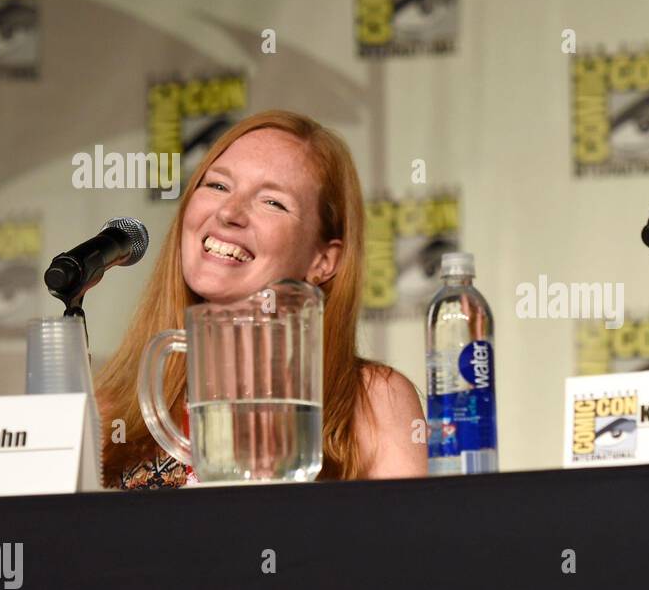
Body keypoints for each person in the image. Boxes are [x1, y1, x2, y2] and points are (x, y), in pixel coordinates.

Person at [96, 109, 427, 486]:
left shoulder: (373, 404)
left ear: (323, 260)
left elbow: (410, 542)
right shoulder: (110, 413)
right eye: (217, 186)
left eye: (272, 202)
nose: (229, 213)